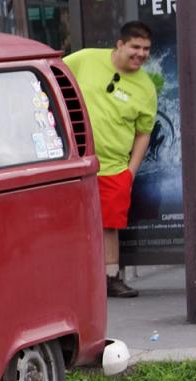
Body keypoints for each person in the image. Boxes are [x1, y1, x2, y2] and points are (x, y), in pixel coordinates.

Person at [65, 22, 157, 298]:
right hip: (75, 161)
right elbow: (53, 74)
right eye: (136, 47)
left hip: (115, 166)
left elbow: (144, 133)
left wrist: (131, 171)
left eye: (146, 49)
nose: (141, 54)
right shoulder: (85, 59)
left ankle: (111, 278)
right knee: (72, 221)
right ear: (120, 45)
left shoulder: (146, 88)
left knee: (110, 225)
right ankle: (74, 278)